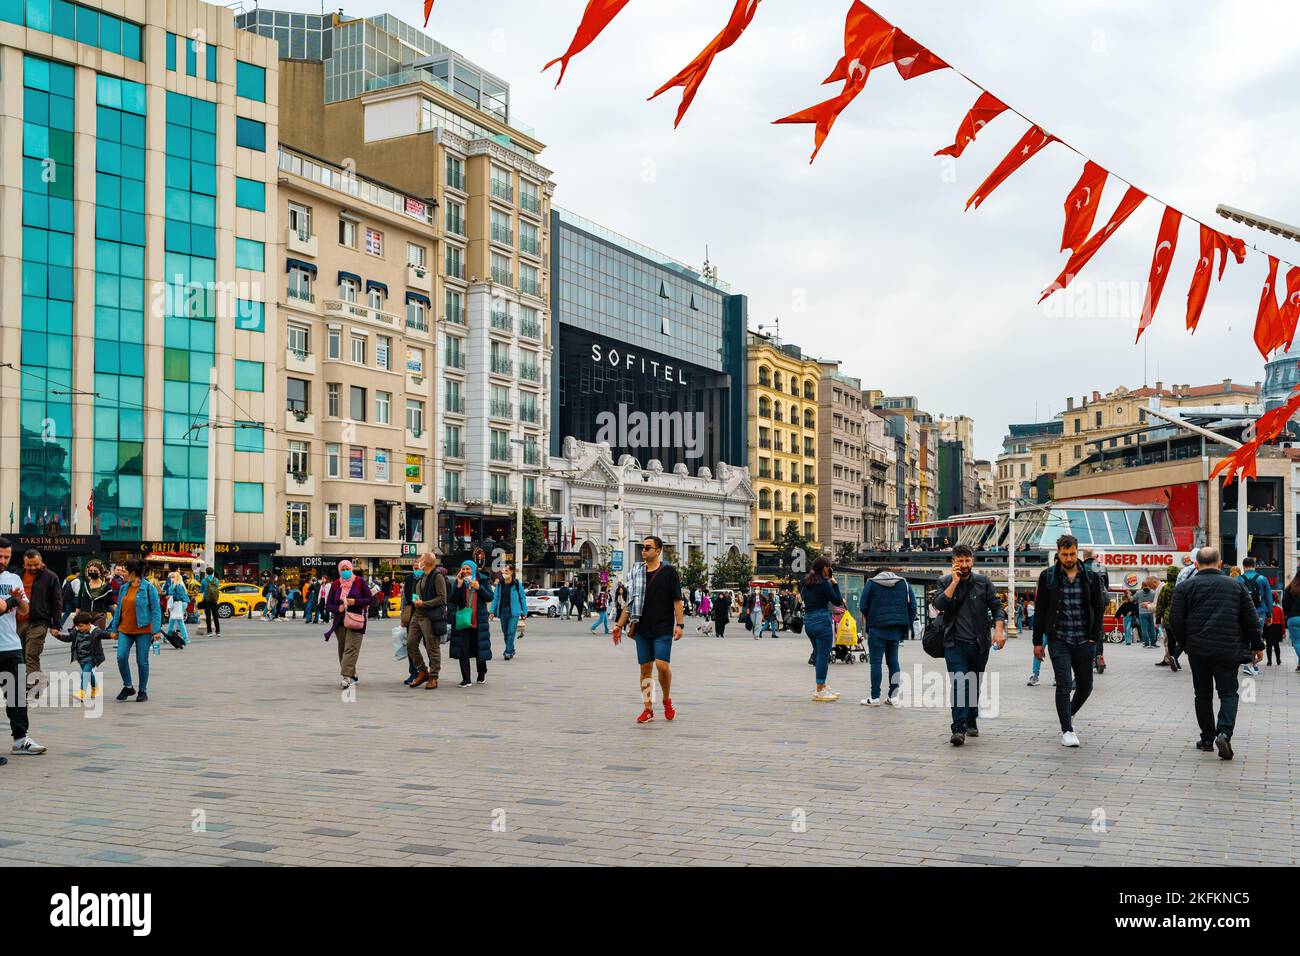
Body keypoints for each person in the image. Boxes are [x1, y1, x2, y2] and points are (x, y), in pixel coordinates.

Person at [1168, 547, 1264, 760]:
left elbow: (1175, 620)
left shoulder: (1185, 587)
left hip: (1198, 650)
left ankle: (1207, 738)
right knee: (1228, 693)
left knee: (1202, 694)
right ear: (1220, 563)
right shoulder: (1236, 586)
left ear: (1196, 564)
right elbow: (1250, 619)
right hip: (1227, 649)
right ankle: (1224, 733)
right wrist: (1257, 645)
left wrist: (1185, 643)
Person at [1032, 535, 1107, 747]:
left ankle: (1068, 714)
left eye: (1072, 553)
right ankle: (1067, 730)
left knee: (1086, 686)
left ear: (1077, 551)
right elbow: (1040, 610)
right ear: (1058, 554)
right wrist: (1038, 642)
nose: (1068, 558)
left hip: (1085, 639)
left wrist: (1095, 638)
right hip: (1059, 638)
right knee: (1064, 684)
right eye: (1064, 554)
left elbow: (1099, 609)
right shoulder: (1048, 577)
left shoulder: (1090, 577)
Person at [932, 544, 1007, 746]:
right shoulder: (944, 581)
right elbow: (938, 605)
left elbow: (997, 608)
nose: (964, 565)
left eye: (967, 560)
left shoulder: (984, 582)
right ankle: (958, 728)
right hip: (954, 644)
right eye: (960, 561)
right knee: (959, 684)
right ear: (953, 562)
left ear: (972, 561)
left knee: (973, 684)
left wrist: (999, 630)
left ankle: (971, 716)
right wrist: (954, 583)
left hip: (979, 644)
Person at [612, 536, 683, 724]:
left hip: (663, 627)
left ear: (658, 551)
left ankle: (666, 699)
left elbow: (677, 600)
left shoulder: (669, 572)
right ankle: (648, 708)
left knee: (662, 665)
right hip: (642, 627)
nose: (644, 550)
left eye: (648, 547)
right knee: (645, 669)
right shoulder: (637, 573)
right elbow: (630, 603)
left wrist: (680, 624)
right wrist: (619, 625)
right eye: (642, 547)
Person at [0, 538, 46, 761]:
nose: (3, 561)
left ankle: (20, 740)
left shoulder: (14, 578)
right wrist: (12, 600)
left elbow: (24, 610)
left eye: (7, 557)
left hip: (11, 645)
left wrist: (19, 601)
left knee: (17, 696)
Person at [106, 559, 163, 703]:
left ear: (132, 573)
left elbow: (156, 611)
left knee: (142, 661)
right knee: (121, 657)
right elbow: (119, 609)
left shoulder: (149, 588)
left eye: (124, 571)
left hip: (143, 630)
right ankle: (128, 686)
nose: (121, 573)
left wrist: (156, 630)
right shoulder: (124, 588)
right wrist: (114, 629)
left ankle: (142, 690)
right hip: (125, 629)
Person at [858, 567, 916, 706]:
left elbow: (862, 605)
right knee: (893, 662)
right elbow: (913, 606)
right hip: (896, 629)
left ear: (878, 574)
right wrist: (906, 624)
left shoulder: (871, 583)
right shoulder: (904, 584)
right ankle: (893, 696)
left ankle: (874, 698)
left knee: (876, 663)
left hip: (877, 628)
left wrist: (870, 619)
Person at [17, 549, 62, 691]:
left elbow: (57, 602)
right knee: (21, 655)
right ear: (24, 564)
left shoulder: (50, 577)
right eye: (29, 565)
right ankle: (40, 680)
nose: (33, 568)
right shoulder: (17, 575)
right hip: (18, 621)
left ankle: (33, 684)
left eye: (36, 564)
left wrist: (55, 624)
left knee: (31, 653)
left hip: (39, 622)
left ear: (41, 561)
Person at [324, 560, 372, 689]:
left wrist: (355, 602)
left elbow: (369, 599)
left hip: (356, 620)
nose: (346, 571)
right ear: (340, 570)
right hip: (340, 623)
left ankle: (346, 676)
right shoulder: (335, 584)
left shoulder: (359, 582)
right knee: (343, 649)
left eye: (347, 569)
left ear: (351, 569)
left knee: (351, 649)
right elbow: (328, 605)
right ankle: (352, 674)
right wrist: (337, 609)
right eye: (343, 569)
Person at [404, 552, 448, 688]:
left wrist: (424, 603)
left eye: (421, 559)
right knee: (411, 644)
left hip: (430, 616)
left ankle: (434, 676)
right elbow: (415, 594)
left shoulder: (437, 576)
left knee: (432, 646)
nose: (419, 562)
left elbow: (442, 598)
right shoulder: (422, 576)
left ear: (428, 561)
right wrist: (416, 601)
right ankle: (422, 671)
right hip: (417, 615)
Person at [449, 559, 495, 686]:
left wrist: (479, 588)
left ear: (473, 569)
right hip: (464, 621)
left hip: (479, 621)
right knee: (463, 650)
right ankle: (466, 679)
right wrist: (458, 586)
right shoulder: (459, 582)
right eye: (463, 569)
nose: (465, 571)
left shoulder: (483, 581)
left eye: (468, 569)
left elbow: (490, 597)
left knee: (479, 648)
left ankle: (481, 673)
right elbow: (452, 600)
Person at [59, 611, 108, 701]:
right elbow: (69, 638)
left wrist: (113, 635)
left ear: (89, 624)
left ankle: (81, 692)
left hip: (92, 658)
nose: (79, 628)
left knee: (85, 674)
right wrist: (58, 635)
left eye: (81, 626)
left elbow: (104, 634)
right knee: (89, 674)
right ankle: (95, 688)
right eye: (77, 626)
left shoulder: (95, 631)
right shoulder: (76, 631)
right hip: (81, 658)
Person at [1239, 557, 1272, 676]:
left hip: (1243, 613)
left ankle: (1248, 663)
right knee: (1256, 637)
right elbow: (1268, 598)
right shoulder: (1262, 579)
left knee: (1245, 637)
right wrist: (1270, 614)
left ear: (1243, 566)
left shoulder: (1238, 579)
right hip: (1259, 613)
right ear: (1254, 565)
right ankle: (1252, 664)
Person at [490, 562, 527, 659]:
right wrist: (492, 612)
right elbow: (495, 598)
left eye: (506, 571)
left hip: (514, 612)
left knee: (511, 632)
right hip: (503, 611)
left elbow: (522, 598)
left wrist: (524, 612)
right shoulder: (500, 585)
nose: (504, 573)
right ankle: (511, 649)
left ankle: (507, 652)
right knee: (505, 632)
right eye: (503, 571)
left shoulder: (517, 584)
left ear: (512, 572)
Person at [65, 561, 115, 630]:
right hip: (84, 616)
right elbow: (79, 603)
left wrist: (118, 618)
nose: (92, 572)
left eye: (95, 571)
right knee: (84, 638)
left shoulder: (107, 587)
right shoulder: (84, 585)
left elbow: (112, 604)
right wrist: (76, 618)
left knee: (95, 636)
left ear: (100, 572)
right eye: (90, 571)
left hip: (99, 616)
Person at [1154, 564, 1183, 671]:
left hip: (1167, 618)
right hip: (1180, 617)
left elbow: (1160, 605)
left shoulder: (1165, 588)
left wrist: (1158, 619)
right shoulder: (1181, 586)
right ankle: (1175, 658)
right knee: (1181, 640)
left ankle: (1172, 658)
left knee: (1170, 640)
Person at [164, 570, 190, 646]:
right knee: (173, 621)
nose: (171, 579)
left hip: (179, 604)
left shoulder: (178, 586)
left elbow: (179, 597)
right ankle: (167, 637)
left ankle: (185, 638)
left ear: (177, 578)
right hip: (177, 604)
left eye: (173, 577)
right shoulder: (174, 585)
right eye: (171, 577)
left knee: (177, 621)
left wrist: (171, 597)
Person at [1285, 572, 1300, 673]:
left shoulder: (1290, 588)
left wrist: (1287, 614)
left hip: (1293, 618)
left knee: (1298, 642)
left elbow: (1285, 604)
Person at [1264, 597, 1285, 666]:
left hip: (1268, 627)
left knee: (1269, 645)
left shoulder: (1266, 609)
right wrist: (1283, 631)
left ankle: (1269, 662)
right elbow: (1282, 621)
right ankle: (1278, 660)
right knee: (1276, 645)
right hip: (1277, 627)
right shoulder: (1279, 609)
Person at [200, 567, 221, 636]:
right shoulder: (217, 580)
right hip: (214, 600)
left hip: (207, 600)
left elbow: (201, 590)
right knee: (215, 616)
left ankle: (209, 632)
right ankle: (218, 632)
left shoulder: (204, 580)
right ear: (213, 572)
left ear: (206, 572)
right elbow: (217, 588)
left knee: (208, 616)